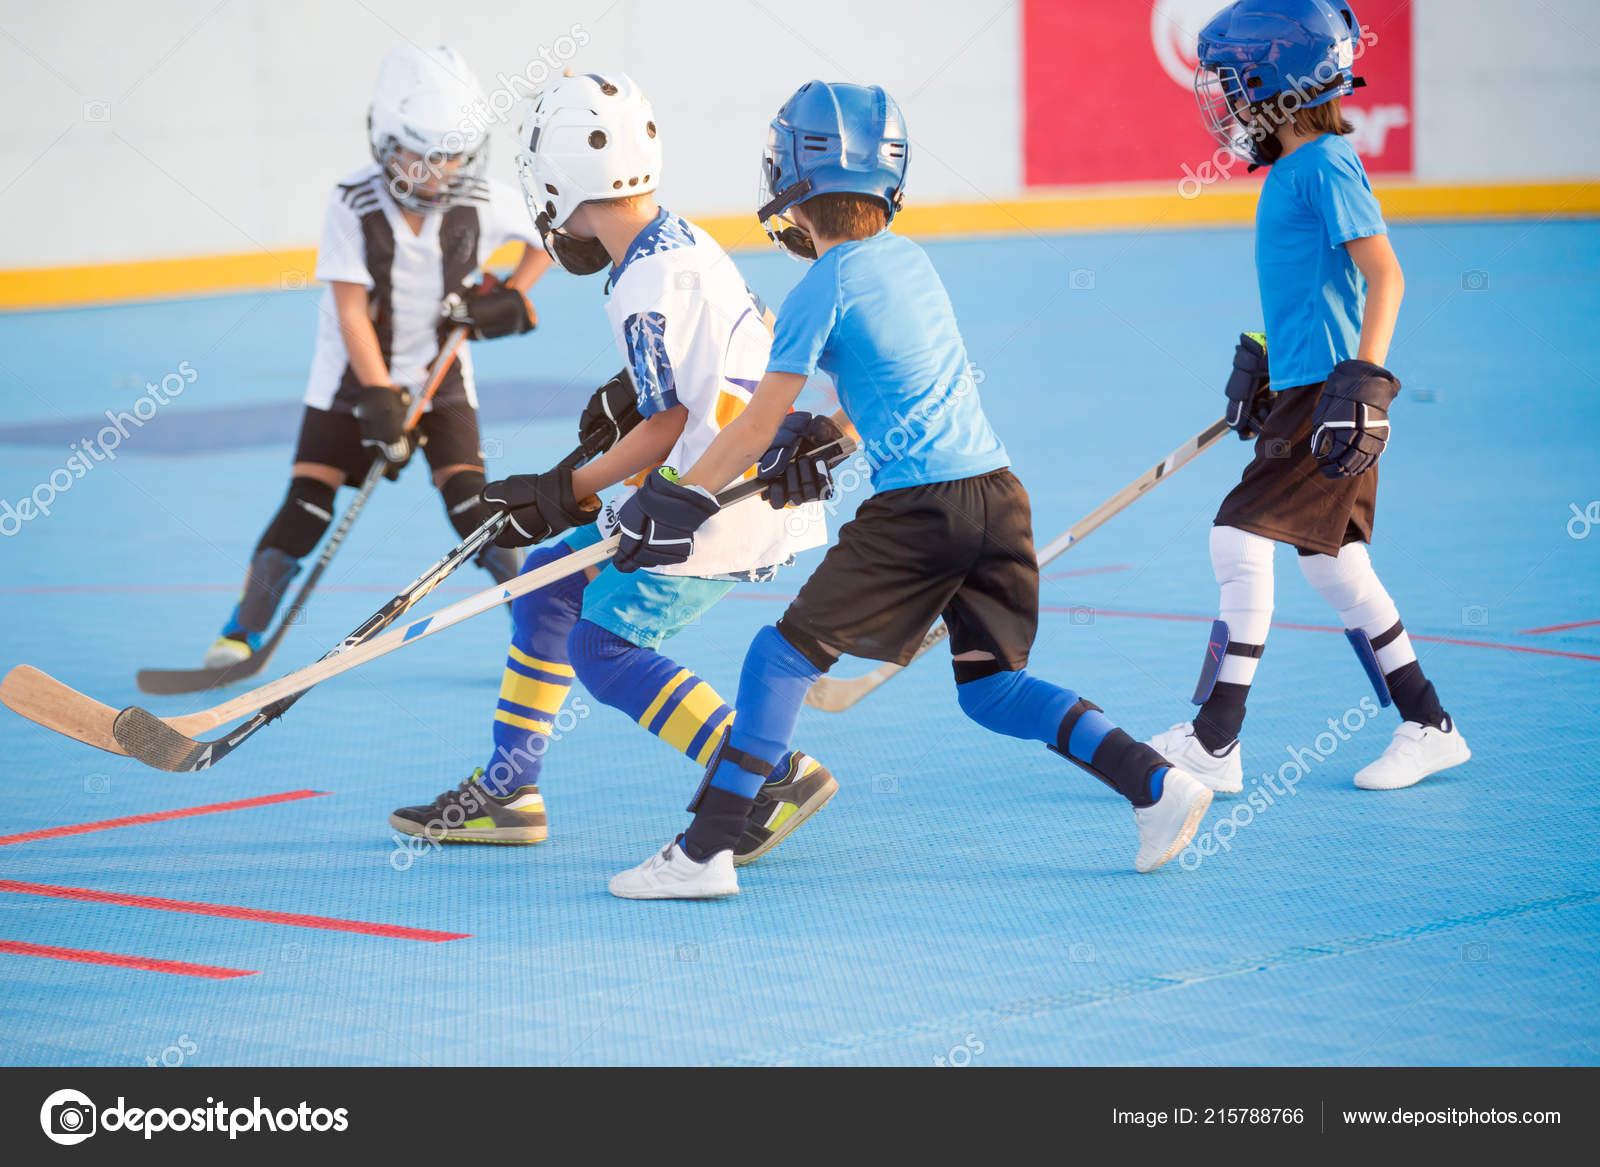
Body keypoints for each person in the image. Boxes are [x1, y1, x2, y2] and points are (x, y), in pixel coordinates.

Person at [603, 80, 1214, 900]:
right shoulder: (913, 262)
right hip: (997, 495)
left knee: (777, 657)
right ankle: (1155, 783)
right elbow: (897, 389)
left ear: (792, 180)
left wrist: (676, 497)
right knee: (993, 690)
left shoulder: (819, 284)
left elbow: (750, 425)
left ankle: (705, 851)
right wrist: (831, 436)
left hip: (922, 511)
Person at [389, 72, 834, 866]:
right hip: (729, 478)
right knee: (549, 594)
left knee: (603, 648)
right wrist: (625, 400)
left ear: (558, 182)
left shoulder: (640, 282)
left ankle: (769, 774)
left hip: (709, 500)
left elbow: (667, 428)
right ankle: (508, 788)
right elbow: (705, 367)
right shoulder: (681, 239)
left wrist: (560, 491)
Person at [1145, 0, 1469, 793]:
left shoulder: (1322, 163)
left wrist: (1362, 387)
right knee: (1336, 567)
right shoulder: (1296, 168)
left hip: (1330, 395)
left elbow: (1384, 273)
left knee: (1236, 541)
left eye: (1233, 84)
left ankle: (1215, 740)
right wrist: (1265, 362)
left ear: (1272, 83)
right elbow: (1313, 291)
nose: (1225, 101)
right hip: (1305, 387)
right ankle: (1428, 724)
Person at [204, 44, 549, 668]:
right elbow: (350, 312)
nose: (435, 171)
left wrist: (509, 295)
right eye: (419, 154)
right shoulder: (352, 201)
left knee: (474, 504)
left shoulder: (481, 197)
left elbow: (547, 235)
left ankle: (537, 633)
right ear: (385, 142)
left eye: (450, 156)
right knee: (307, 505)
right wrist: (379, 400)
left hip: (441, 379)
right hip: (348, 381)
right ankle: (240, 634)